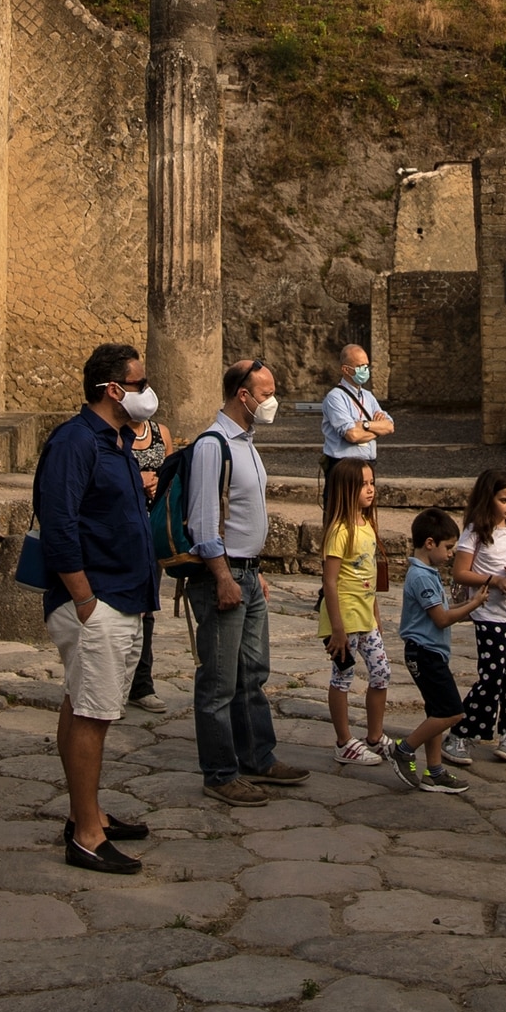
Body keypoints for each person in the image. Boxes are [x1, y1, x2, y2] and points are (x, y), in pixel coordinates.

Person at [36, 341, 161, 874]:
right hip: (96, 601)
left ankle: (88, 813)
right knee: (92, 713)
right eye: (139, 384)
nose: (147, 394)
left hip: (120, 598)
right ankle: (87, 835)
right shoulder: (75, 442)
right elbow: (58, 523)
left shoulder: (113, 441)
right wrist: (84, 596)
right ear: (114, 390)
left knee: (82, 703)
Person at [189, 359, 307, 806]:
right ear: (243, 395)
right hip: (227, 575)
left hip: (249, 575)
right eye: (266, 392)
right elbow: (203, 524)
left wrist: (254, 574)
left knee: (252, 674)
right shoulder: (212, 446)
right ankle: (219, 773)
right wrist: (223, 577)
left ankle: (258, 757)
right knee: (219, 680)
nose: (272, 401)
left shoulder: (247, 444)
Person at [448, 467, 506, 764]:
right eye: (503, 500)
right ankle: (462, 732)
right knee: (492, 678)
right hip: (490, 617)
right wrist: (494, 580)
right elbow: (461, 573)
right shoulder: (475, 533)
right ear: (489, 499)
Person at [388, 511, 476, 795]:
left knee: (436, 712)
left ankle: (434, 771)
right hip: (424, 654)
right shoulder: (422, 578)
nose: (451, 554)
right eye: (448, 547)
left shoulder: (428, 574)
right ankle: (404, 749)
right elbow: (442, 618)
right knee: (452, 713)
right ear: (429, 543)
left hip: (432, 653)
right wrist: (475, 605)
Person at [317, 456, 389, 764]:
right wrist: (337, 628)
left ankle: (375, 735)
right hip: (344, 621)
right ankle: (344, 741)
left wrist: (376, 614)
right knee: (342, 677)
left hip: (366, 618)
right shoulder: (339, 530)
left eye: (372, 483)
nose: (370, 490)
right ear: (347, 489)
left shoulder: (368, 525)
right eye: (363, 484)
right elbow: (330, 582)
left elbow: (370, 574)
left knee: (381, 673)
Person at [123, 412, 176, 713]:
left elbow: (171, 478)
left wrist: (159, 485)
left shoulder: (161, 433)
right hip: (122, 529)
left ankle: (141, 683)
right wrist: (136, 482)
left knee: (147, 609)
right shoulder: (113, 434)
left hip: (150, 531)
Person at [320, 342, 394, 485]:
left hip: (368, 464)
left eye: (367, 366)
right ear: (346, 370)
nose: (365, 370)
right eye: (360, 367)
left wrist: (365, 425)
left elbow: (389, 425)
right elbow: (352, 435)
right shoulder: (335, 397)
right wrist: (377, 429)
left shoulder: (368, 396)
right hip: (344, 466)